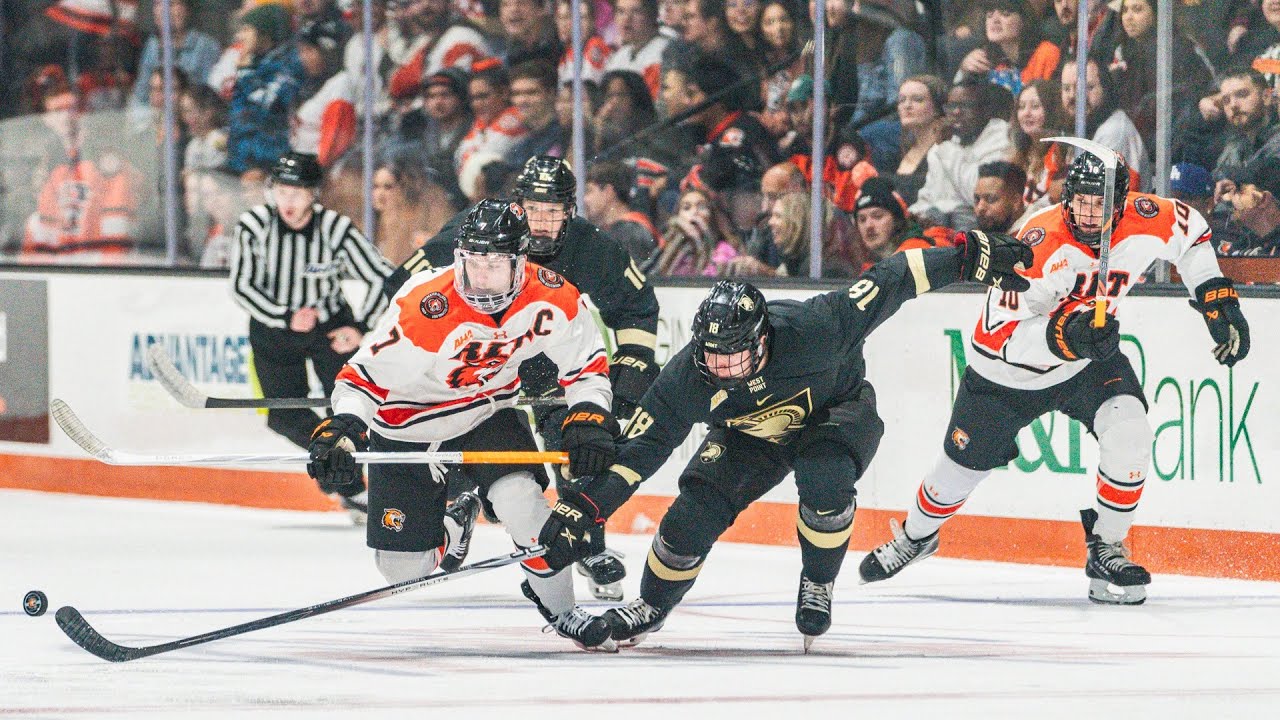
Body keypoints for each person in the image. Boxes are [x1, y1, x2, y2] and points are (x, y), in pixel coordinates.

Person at [534, 232, 1033, 649]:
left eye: (732, 354)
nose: (720, 367)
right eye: (711, 354)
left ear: (762, 338)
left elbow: (897, 276)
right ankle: (652, 605)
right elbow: (636, 456)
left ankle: (818, 579)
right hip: (748, 434)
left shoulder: (817, 326)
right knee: (691, 515)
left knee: (824, 482)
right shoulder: (688, 377)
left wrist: (966, 257)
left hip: (834, 413)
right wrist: (584, 508)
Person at [858, 146, 1251, 605]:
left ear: (1122, 202)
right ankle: (916, 537)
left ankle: (1106, 547)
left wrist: (1214, 294)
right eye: (1080, 200)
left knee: (1130, 433)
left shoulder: (1144, 216)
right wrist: (1067, 336)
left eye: (1100, 203)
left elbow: (1193, 232)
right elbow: (1002, 335)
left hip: (1086, 362)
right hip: (1006, 374)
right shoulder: (1037, 242)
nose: (1088, 213)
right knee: (955, 474)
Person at [307, 199, 620, 651]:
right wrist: (343, 429)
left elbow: (587, 367)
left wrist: (588, 414)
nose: (481, 278)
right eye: (473, 263)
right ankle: (455, 526)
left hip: (485, 413)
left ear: (520, 262)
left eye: (494, 266)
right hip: (407, 424)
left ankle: (563, 610)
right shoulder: (425, 305)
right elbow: (362, 378)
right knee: (402, 570)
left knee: (524, 504)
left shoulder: (553, 296)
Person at [382, 155, 661, 600]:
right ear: (518, 206)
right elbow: (400, 289)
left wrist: (633, 364)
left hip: (546, 361)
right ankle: (461, 505)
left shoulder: (590, 247)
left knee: (580, 441)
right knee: (465, 434)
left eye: (554, 211)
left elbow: (635, 304)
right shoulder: (478, 234)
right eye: (534, 209)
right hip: (482, 362)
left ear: (571, 211)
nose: (543, 222)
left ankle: (584, 542)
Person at [229, 152, 393, 515]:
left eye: (297, 193)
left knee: (350, 408)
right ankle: (344, 477)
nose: (287, 201)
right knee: (283, 416)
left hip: (330, 327)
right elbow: (241, 286)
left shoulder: (335, 228)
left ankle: (360, 483)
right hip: (274, 329)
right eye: (281, 191)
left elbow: (386, 277)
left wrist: (360, 327)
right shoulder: (254, 225)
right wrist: (285, 316)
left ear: (313, 194)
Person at [973, 160, 1028, 233]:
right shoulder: (976, 235)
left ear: (1016, 201)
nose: (980, 208)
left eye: (990, 199)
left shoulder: (1035, 232)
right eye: (977, 200)